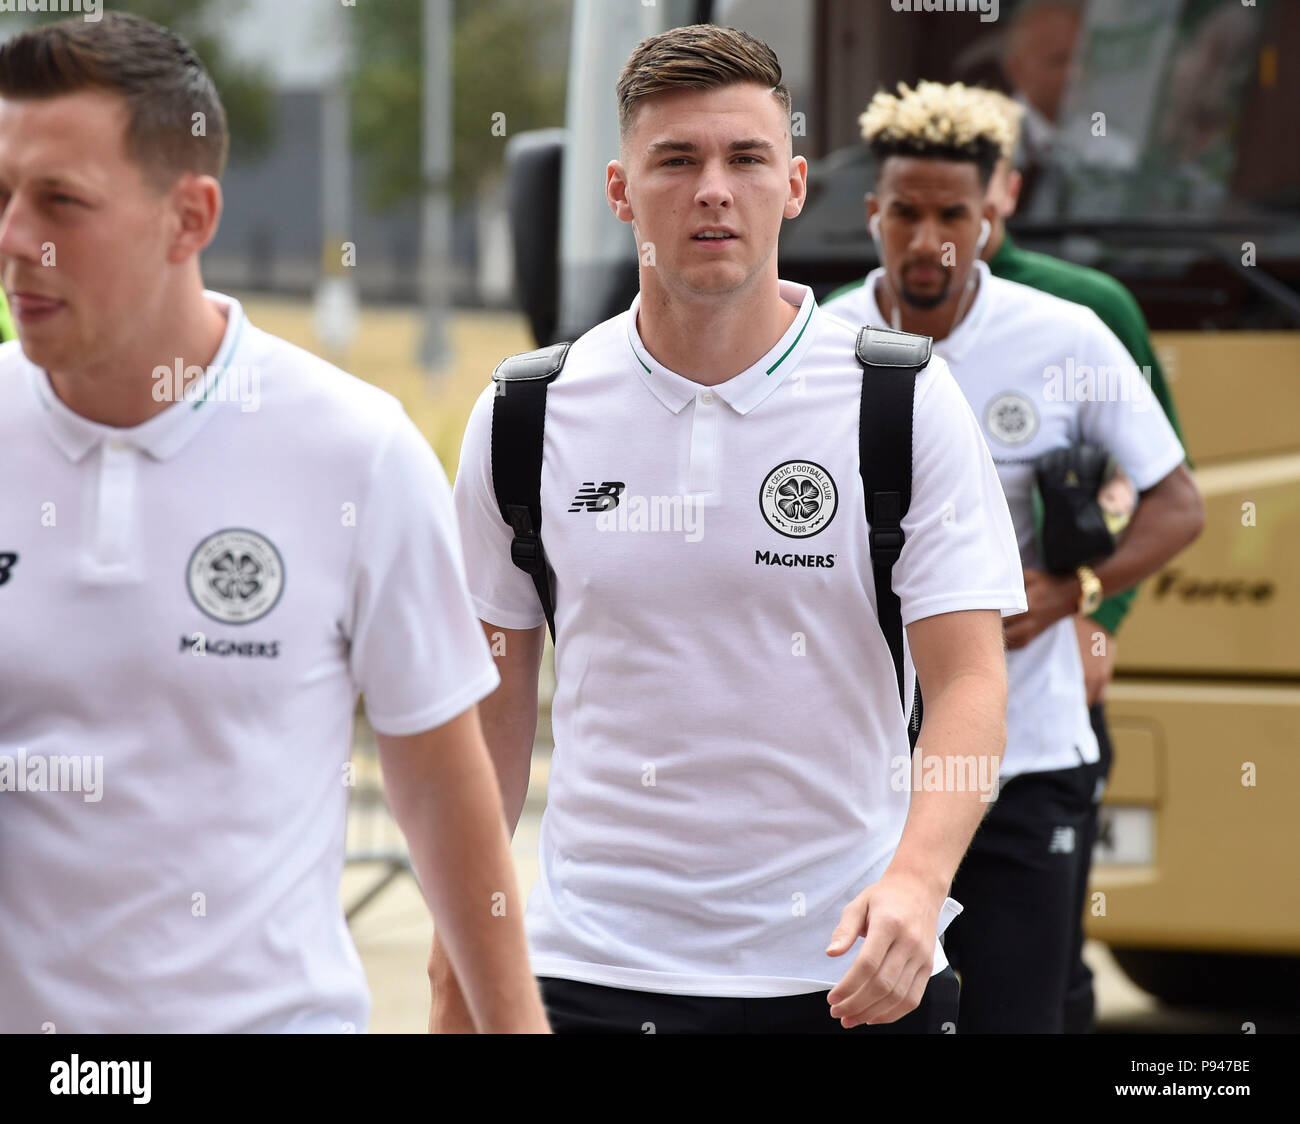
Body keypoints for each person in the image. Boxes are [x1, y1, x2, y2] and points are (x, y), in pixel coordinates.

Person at [433, 24, 1029, 1036]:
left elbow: (969, 679)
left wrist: (918, 883)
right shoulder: (525, 414)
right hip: (588, 971)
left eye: (745, 158)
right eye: (675, 160)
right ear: (619, 191)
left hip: (843, 974)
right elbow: (489, 708)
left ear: (793, 184)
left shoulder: (900, 399)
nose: (713, 188)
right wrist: (463, 945)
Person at [0, 12, 548, 1033]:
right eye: (1, 196)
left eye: (60, 202)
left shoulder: (354, 450)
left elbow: (440, 791)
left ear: (189, 217)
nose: (14, 240)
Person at [824, 80, 1204, 1033]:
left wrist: (1071, 594)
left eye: (953, 214)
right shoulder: (818, 344)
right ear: (873, 212)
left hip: (1027, 762)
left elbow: (1177, 504)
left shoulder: (1067, 333)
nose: (927, 241)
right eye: (904, 212)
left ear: (993, 213)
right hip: (861, 769)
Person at [976, 87, 1190, 1033]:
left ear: (1008, 188)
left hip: (1047, 681)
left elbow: (1144, 489)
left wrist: (1093, 615)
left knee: (1044, 973)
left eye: (966, 197)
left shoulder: (1085, 307)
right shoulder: (863, 315)